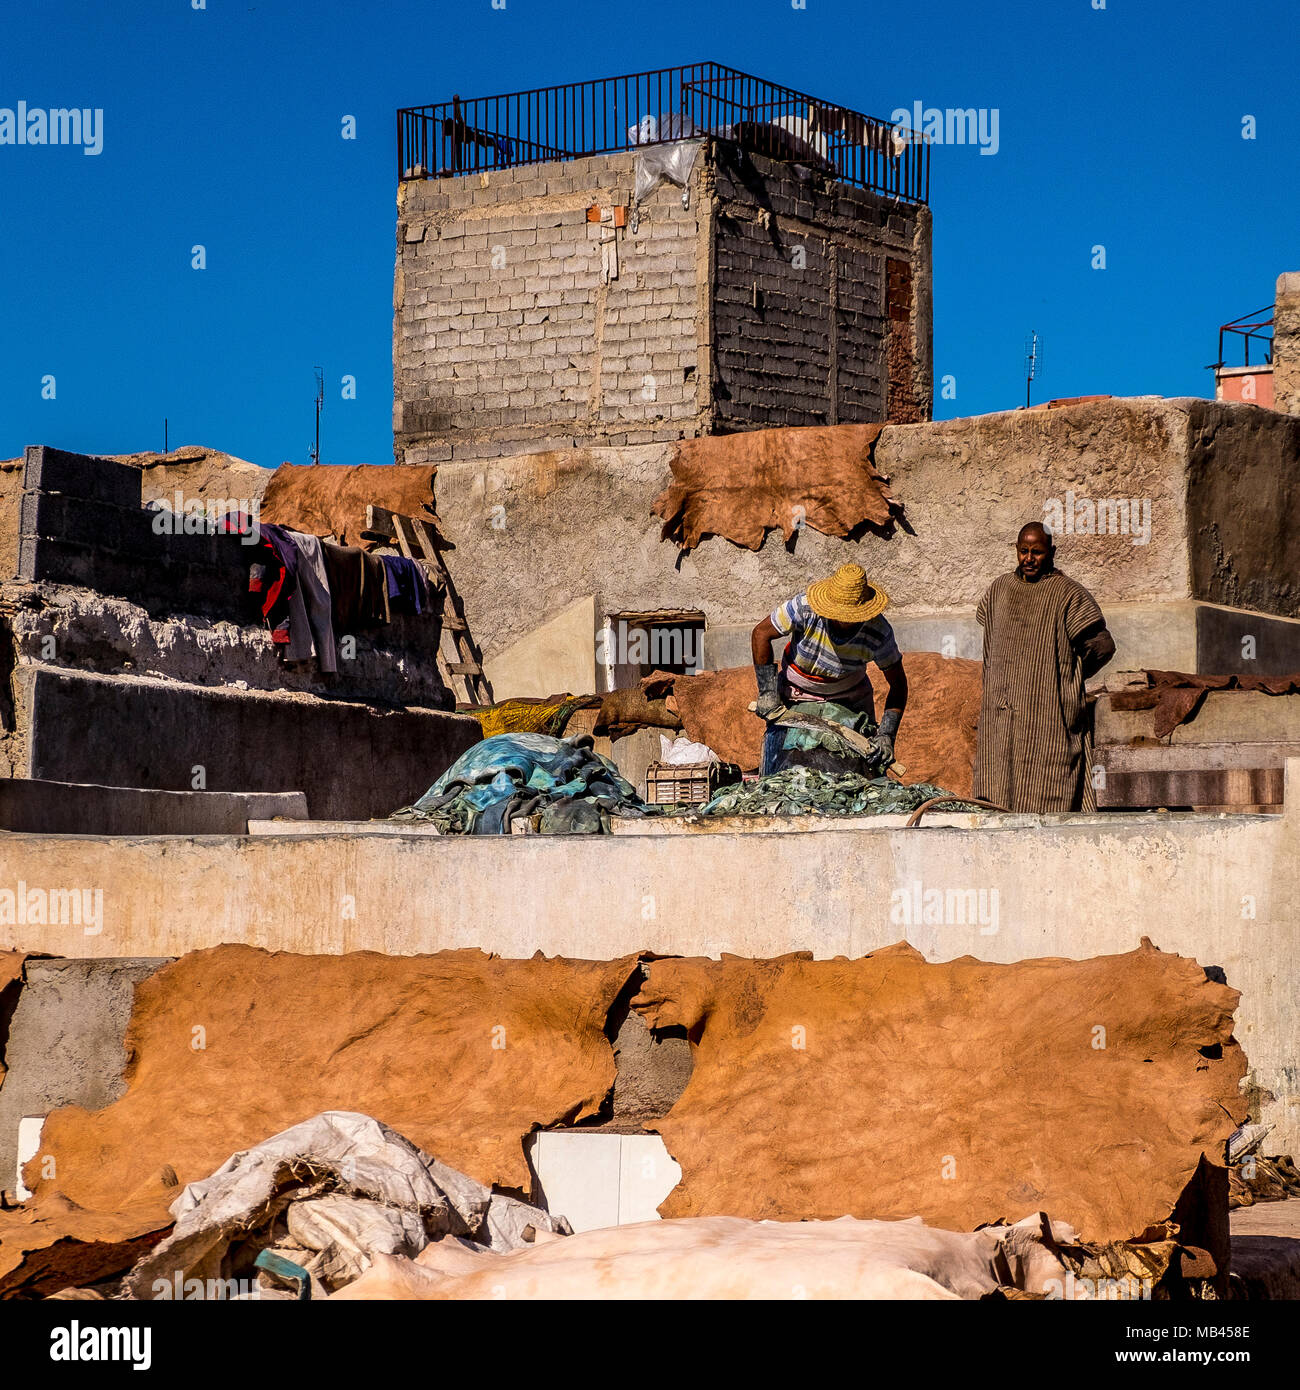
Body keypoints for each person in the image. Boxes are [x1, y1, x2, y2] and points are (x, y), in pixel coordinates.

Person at [973, 522, 1116, 813]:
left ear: (1051, 552)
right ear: (1016, 550)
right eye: (1023, 551)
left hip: (1047, 714)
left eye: (1036, 552)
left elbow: (1103, 646)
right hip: (1001, 713)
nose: (1029, 558)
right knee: (997, 783)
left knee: (1047, 788)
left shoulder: (1068, 594)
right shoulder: (999, 589)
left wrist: (1066, 675)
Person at [750, 563, 908, 775]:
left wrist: (887, 735)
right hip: (796, 694)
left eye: (851, 617)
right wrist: (768, 692)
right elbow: (761, 633)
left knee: (859, 768)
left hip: (850, 700)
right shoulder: (804, 608)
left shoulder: (879, 631)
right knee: (788, 759)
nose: (844, 621)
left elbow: (898, 685)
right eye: (839, 615)